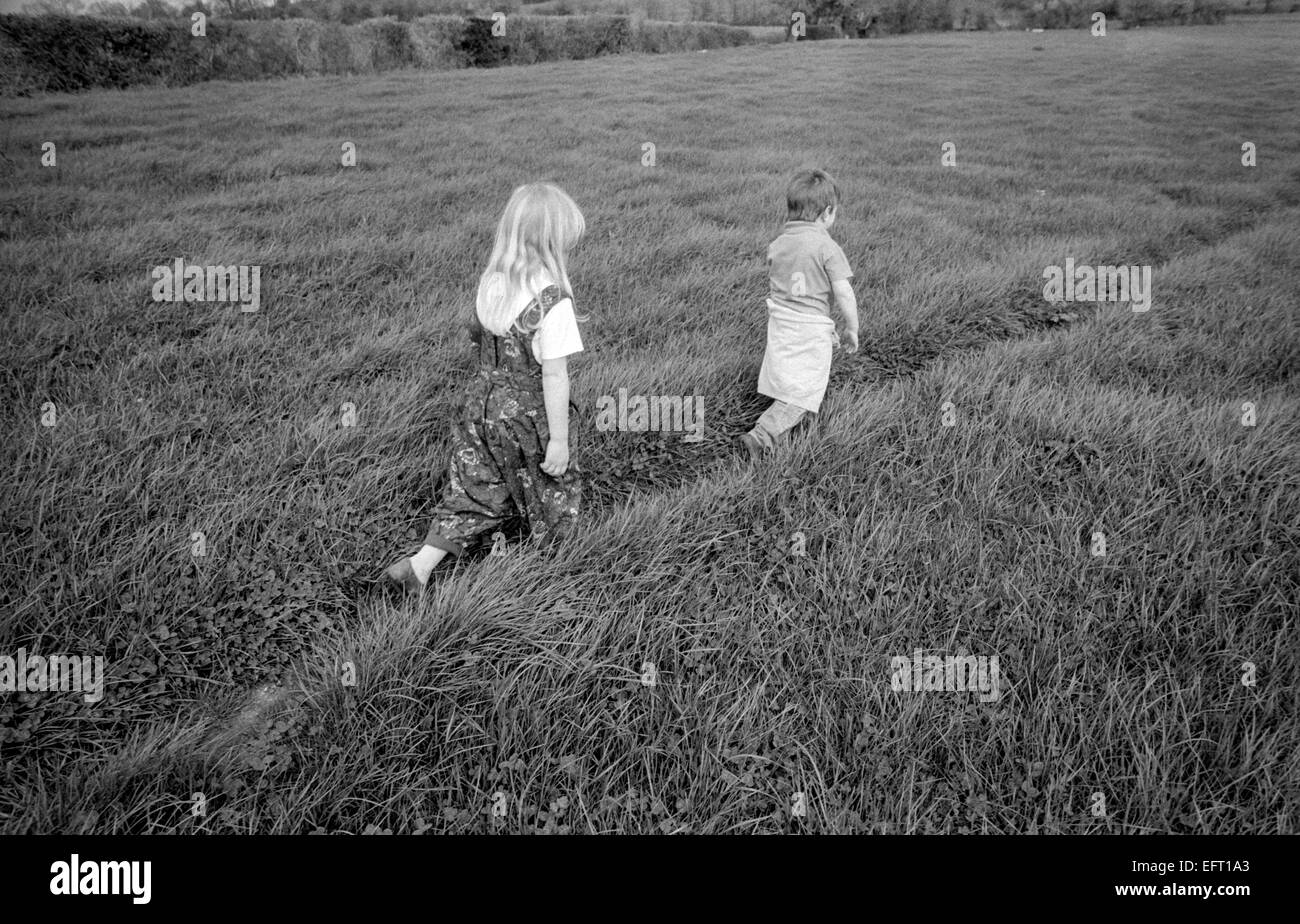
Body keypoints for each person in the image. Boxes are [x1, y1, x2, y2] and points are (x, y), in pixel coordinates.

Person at [383, 182, 586, 593]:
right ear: (554, 241)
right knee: (551, 488)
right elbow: (554, 375)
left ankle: (419, 566)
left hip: (479, 407)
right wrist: (559, 440)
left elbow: (480, 337)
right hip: (526, 418)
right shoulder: (552, 302)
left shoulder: (492, 281)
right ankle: (561, 569)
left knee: (475, 484)